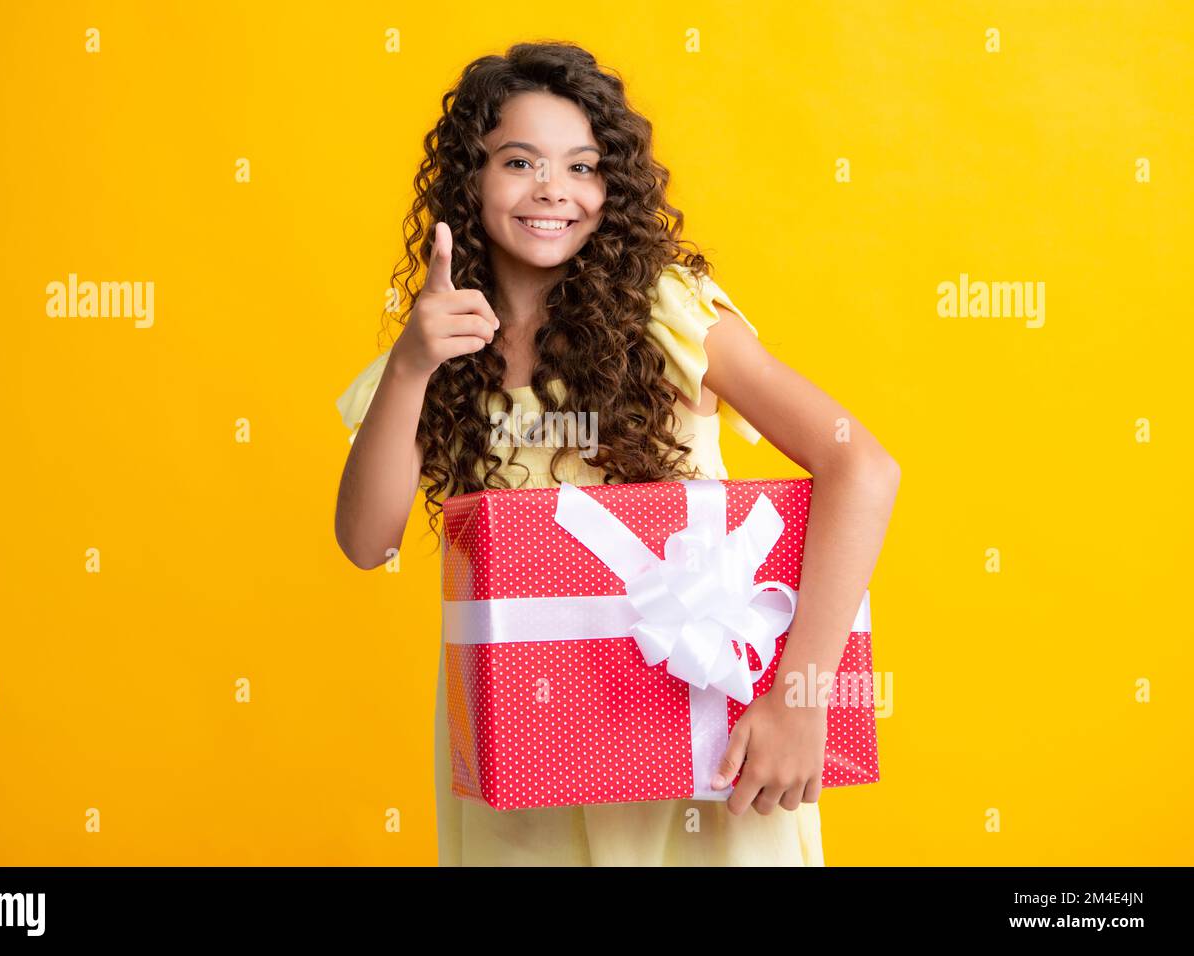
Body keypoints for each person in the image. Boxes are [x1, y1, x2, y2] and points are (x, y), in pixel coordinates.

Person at [334, 42, 900, 866]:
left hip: (703, 743)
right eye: (518, 161)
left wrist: (800, 698)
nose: (552, 189)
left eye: (583, 165)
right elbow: (366, 542)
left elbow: (863, 467)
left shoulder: (668, 312)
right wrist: (414, 367)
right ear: (469, 179)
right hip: (526, 751)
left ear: (613, 187)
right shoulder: (437, 345)